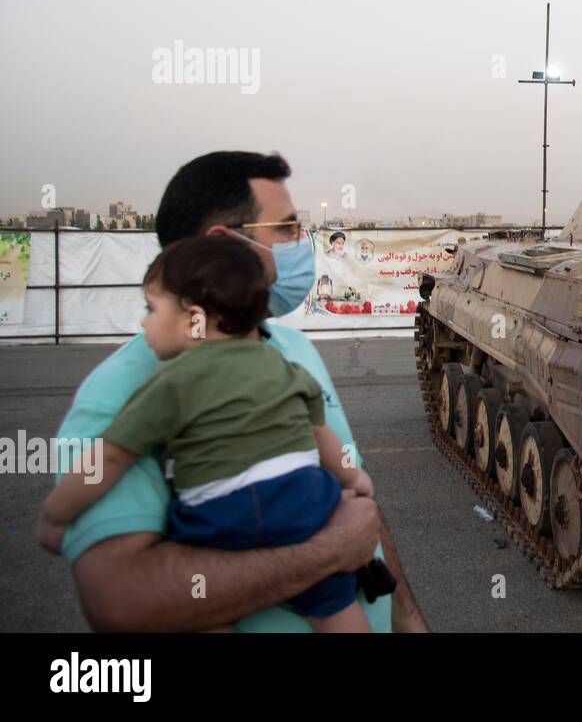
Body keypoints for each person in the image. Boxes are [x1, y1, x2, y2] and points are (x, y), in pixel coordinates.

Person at [49, 151, 427, 632]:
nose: (301, 243)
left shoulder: (289, 347)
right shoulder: (120, 391)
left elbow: (347, 503)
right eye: (286, 229)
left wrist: (408, 619)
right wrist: (326, 553)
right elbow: (118, 600)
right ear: (226, 246)